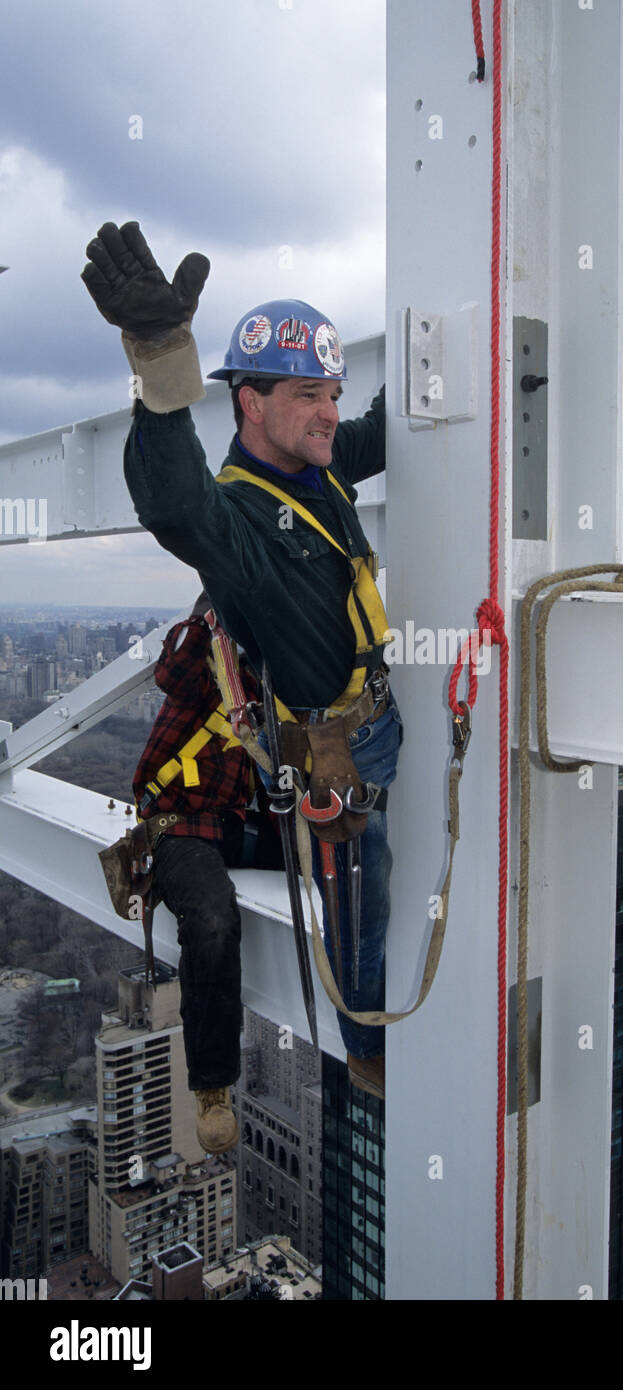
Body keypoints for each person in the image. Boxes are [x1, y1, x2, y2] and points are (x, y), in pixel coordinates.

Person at [82, 221, 400, 1104]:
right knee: (359, 899)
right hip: (330, 759)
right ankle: (363, 1041)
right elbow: (175, 503)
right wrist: (160, 358)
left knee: (383, 870)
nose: (329, 412)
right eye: (308, 394)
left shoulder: (321, 466)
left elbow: (378, 428)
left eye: (332, 391)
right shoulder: (238, 517)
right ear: (249, 403)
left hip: (380, 727)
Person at [132, 594, 284, 1153]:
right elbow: (168, 671)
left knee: (335, 859)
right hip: (179, 825)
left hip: (237, 827)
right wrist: (213, 606)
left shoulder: (266, 691)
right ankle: (213, 1085)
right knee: (212, 919)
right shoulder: (205, 668)